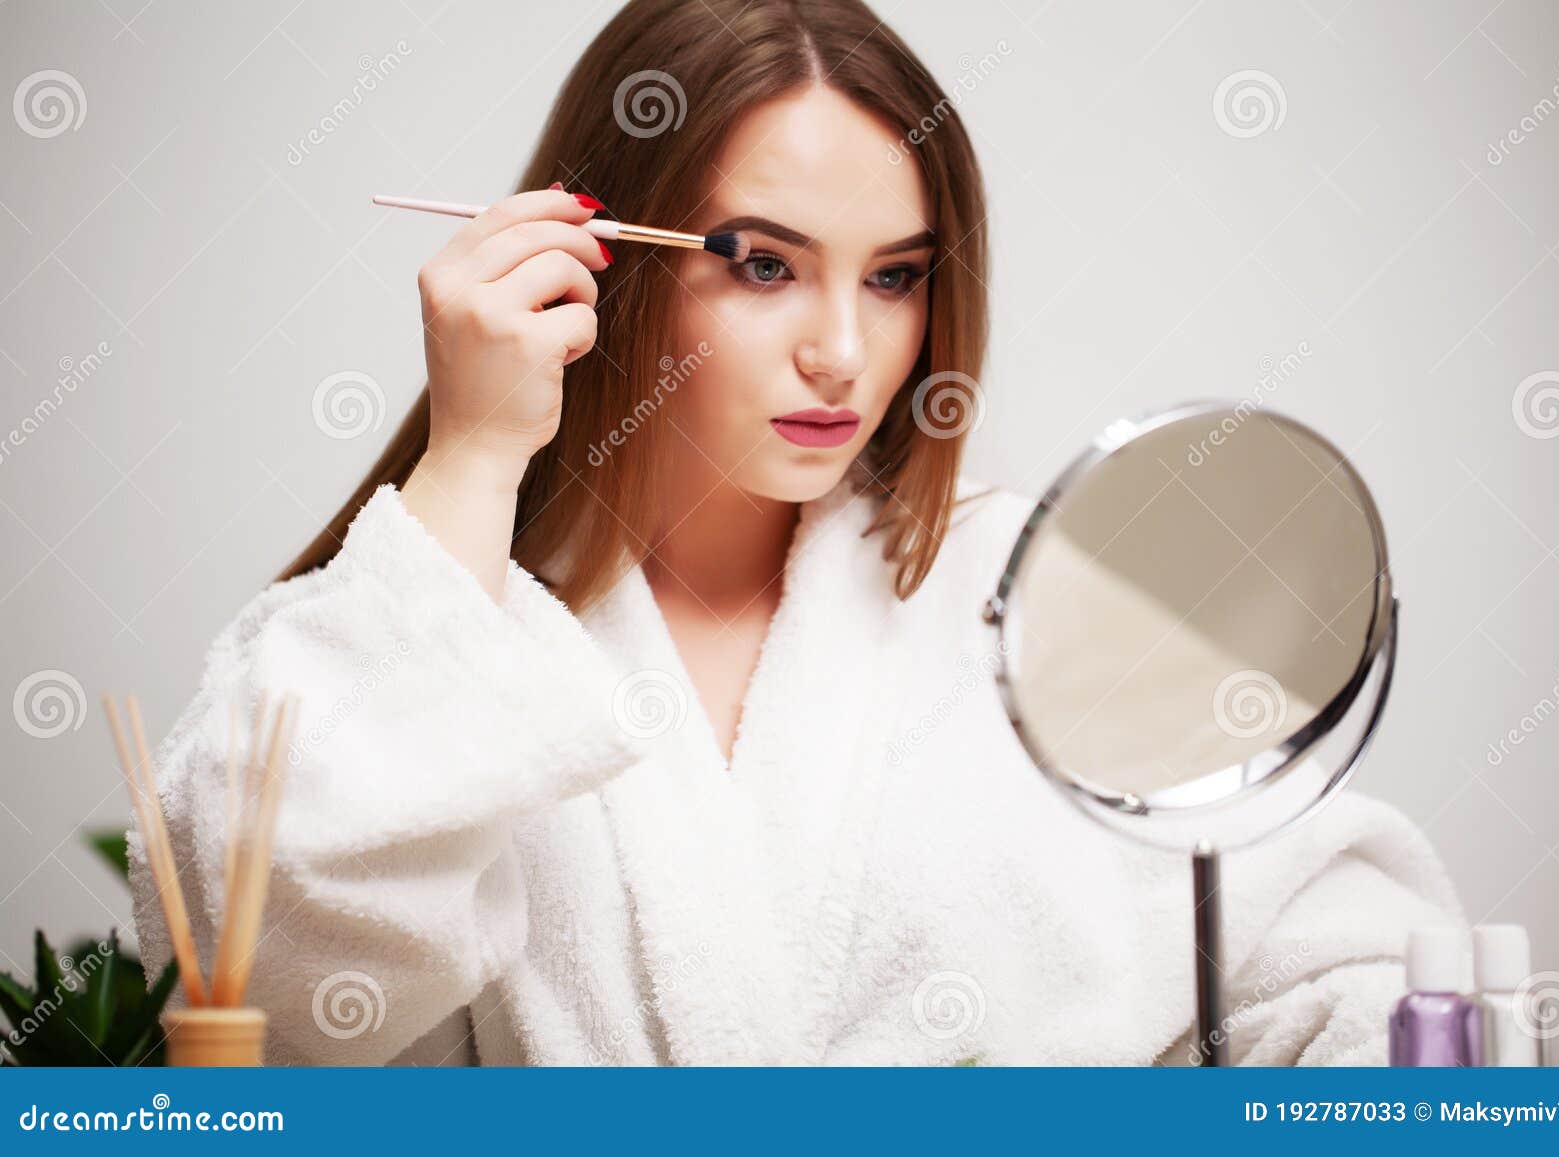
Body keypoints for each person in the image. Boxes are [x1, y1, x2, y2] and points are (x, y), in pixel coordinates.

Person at [131, 0, 1465, 1066]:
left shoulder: (1032, 598)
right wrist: (475, 457)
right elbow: (272, 993)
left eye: (895, 277)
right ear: (603, 254)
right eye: (764, 264)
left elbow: (1355, 973)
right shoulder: (446, 628)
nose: (843, 349)